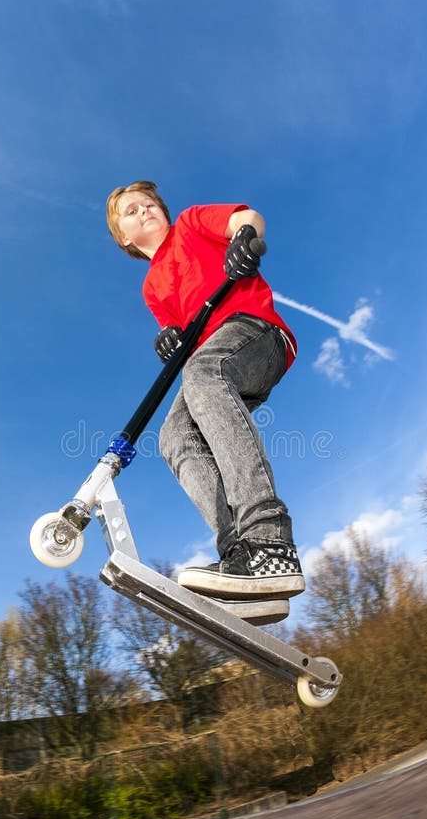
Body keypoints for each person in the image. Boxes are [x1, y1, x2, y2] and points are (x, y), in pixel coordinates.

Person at [105, 180, 303, 603]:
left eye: (149, 204)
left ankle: (267, 537)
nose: (144, 211)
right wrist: (168, 338)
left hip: (257, 335)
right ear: (124, 237)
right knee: (174, 436)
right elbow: (176, 333)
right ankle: (241, 555)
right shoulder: (151, 289)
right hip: (210, 370)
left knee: (202, 371)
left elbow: (248, 218)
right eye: (132, 211)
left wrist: (245, 237)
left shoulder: (192, 224)